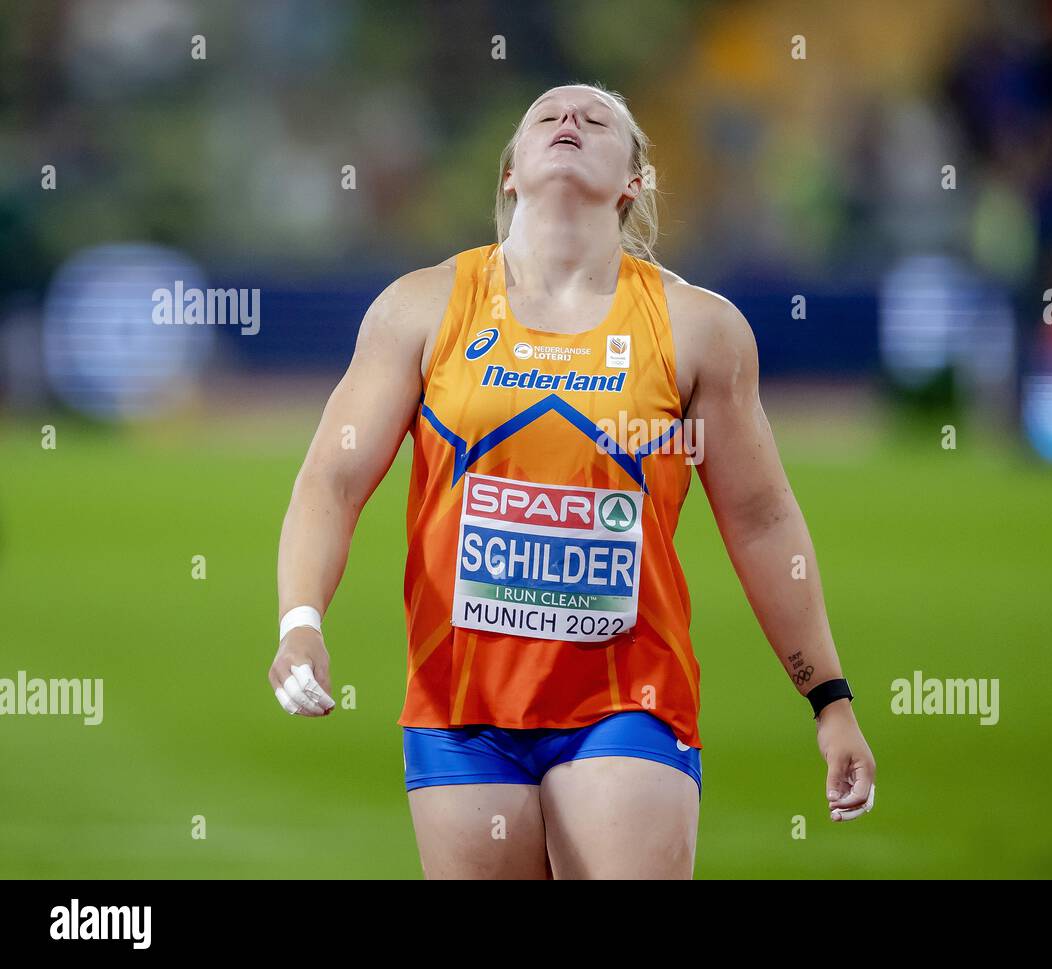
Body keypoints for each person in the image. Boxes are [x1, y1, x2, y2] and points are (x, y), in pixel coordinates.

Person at [268, 83, 875, 879]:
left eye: (596, 120)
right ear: (511, 172)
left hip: (628, 701)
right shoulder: (421, 308)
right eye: (546, 117)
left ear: (634, 181)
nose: (568, 122)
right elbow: (331, 482)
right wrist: (300, 619)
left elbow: (761, 520)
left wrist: (830, 700)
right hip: (461, 709)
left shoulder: (698, 328)